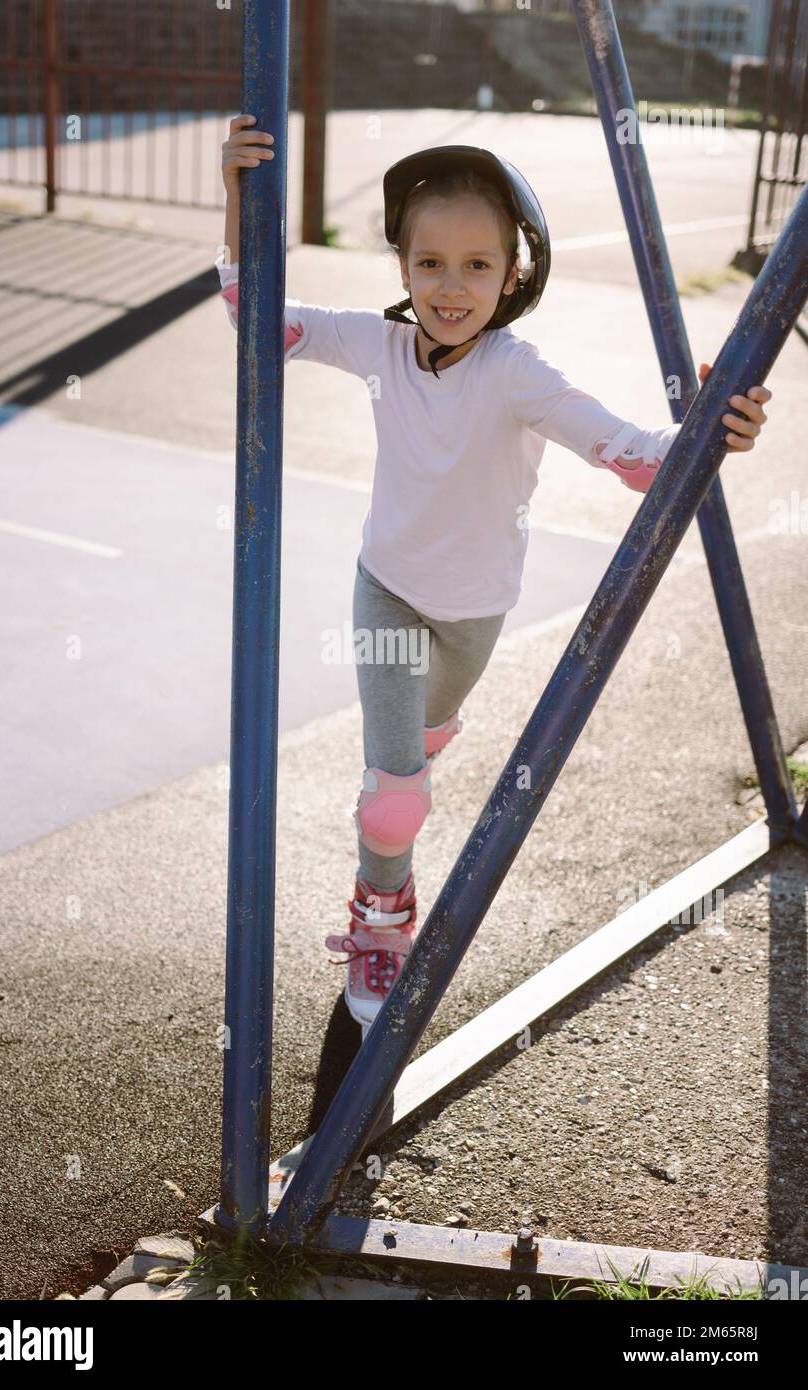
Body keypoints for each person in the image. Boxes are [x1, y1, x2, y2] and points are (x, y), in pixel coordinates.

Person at [217, 116, 773, 1041]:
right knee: (395, 801)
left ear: (513, 275)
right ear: (402, 268)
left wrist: (712, 428)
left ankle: (414, 762)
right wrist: (236, 199)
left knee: (419, 752)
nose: (451, 285)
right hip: (388, 590)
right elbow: (256, 319)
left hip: (475, 614)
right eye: (430, 262)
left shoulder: (518, 373)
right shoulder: (379, 345)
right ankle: (379, 917)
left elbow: (632, 454)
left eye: (478, 265)